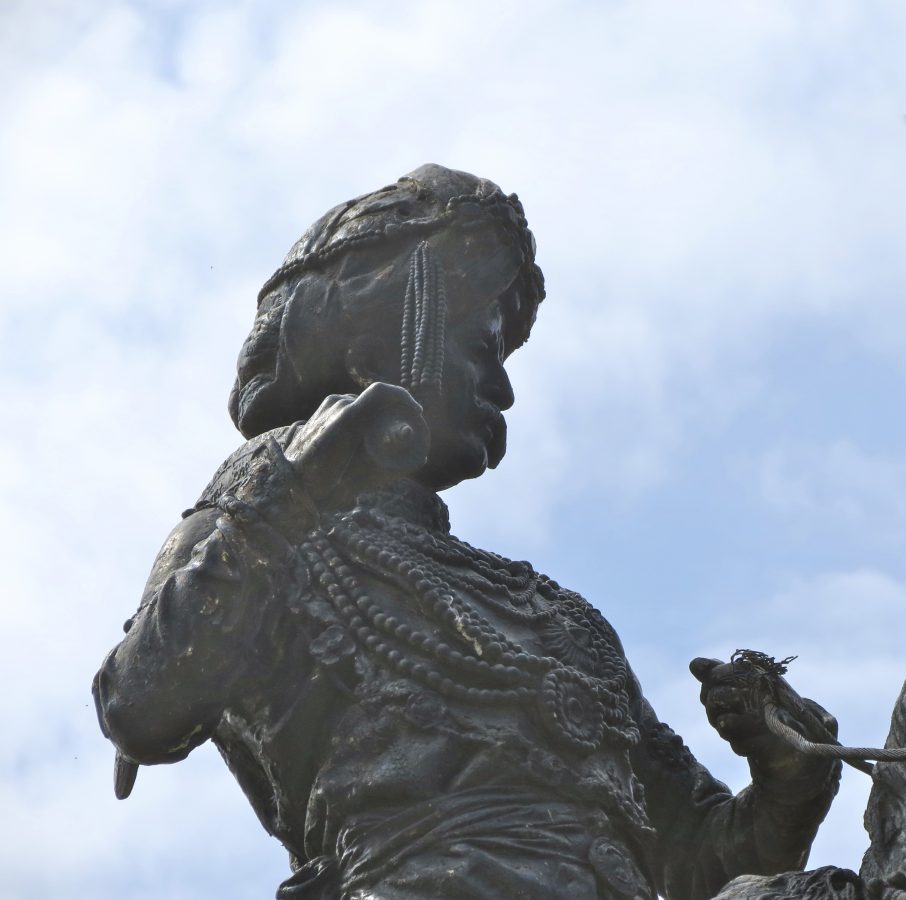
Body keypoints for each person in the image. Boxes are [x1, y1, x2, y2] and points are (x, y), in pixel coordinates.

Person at [93, 164, 841, 900]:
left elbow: (691, 858)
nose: (504, 385)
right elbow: (140, 705)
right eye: (481, 347)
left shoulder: (560, 621)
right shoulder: (271, 517)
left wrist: (791, 777)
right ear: (375, 342)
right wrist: (284, 504)